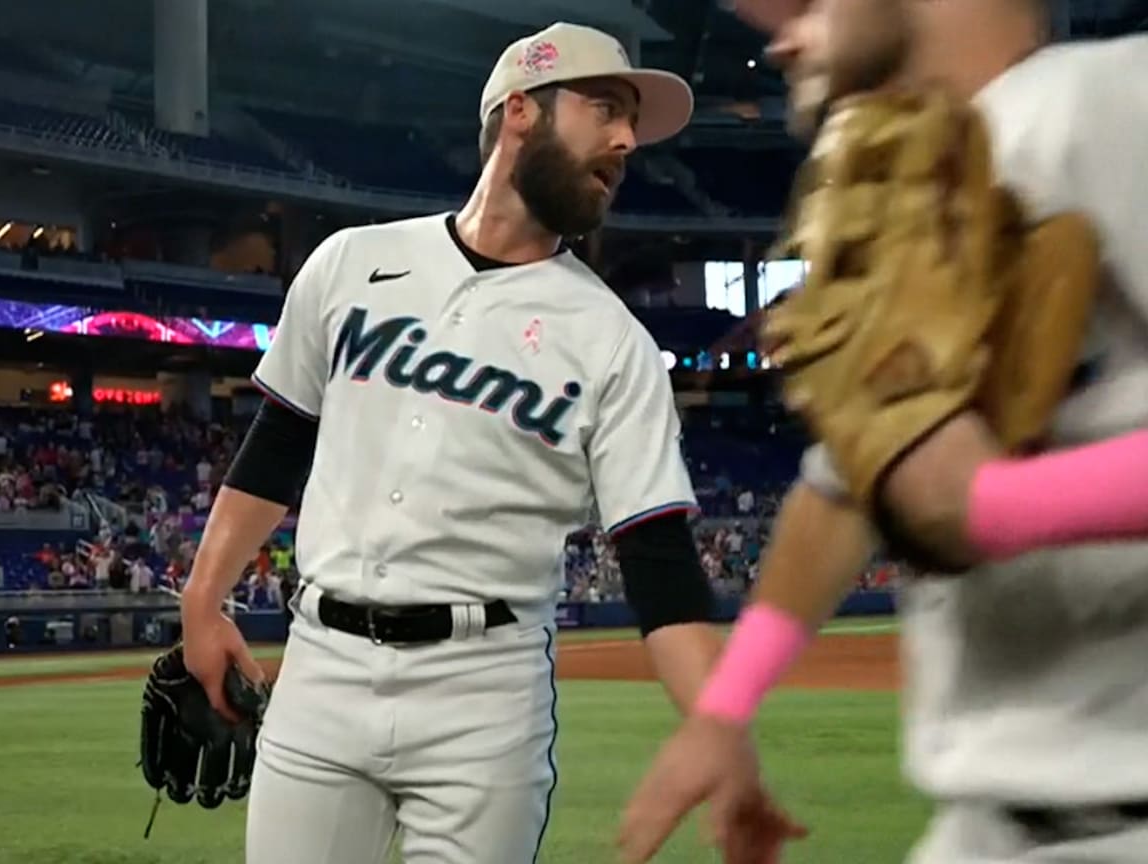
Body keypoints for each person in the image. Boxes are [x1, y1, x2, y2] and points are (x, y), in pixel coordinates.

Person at [179, 21, 802, 864]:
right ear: (520, 113)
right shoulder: (351, 263)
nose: (626, 139)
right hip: (317, 675)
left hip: (485, 696)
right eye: (604, 108)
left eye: (631, 124)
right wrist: (202, 597)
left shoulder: (612, 341)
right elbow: (279, 441)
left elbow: (659, 559)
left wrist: (721, 726)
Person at [620, 2, 1148, 862]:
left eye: (806, 5)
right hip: (982, 824)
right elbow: (842, 489)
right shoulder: (916, 175)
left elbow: (949, 496)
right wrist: (724, 712)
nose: (781, 37)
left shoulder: (1112, 97)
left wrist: (997, 505)